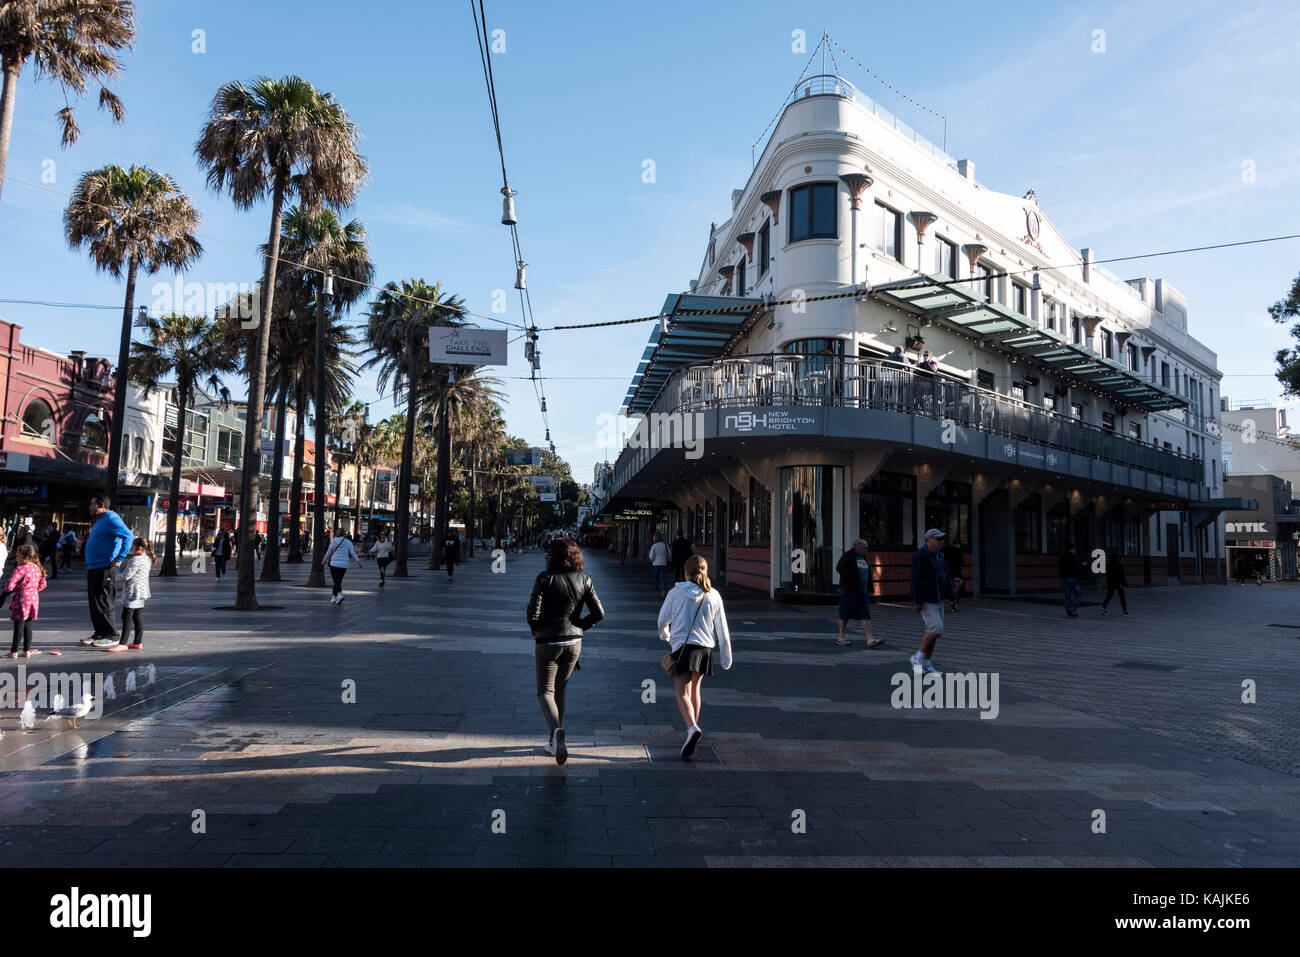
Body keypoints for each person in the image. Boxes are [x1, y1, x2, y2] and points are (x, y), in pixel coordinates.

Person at [526, 538, 605, 765]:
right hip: (574, 642)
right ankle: (555, 740)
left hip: (548, 642)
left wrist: (537, 631)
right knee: (560, 690)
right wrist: (580, 625)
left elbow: (533, 613)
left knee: (544, 692)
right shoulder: (585, 580)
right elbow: (599, 613)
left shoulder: (544, 578)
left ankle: (556, 732)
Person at [658, 555, 732, 759]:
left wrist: (666, 635)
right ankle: (693, 729)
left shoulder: (676, 593)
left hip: (682, 646)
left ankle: (692, 728)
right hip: (705, 648)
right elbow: (722, 628)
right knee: (695, 690)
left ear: (686, 572)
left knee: (681, 690)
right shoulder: (713, 595)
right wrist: (726, 657)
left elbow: (662, 620)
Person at [82, 495, 132, 648]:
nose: (90, 507)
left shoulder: (111, 518)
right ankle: (100, 632)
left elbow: (128, 536)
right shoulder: (101, 519)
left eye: (92, 504)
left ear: (101, 505)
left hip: (104, 567)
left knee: (103, 601)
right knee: (95, 602)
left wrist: (120, 557)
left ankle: (111, 635)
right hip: (94, 566)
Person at [910, 528, 956, 676]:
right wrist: (918, 601)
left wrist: (952, 594)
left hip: (938, 598)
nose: (941, 542)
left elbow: (946, 575)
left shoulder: (940, 556)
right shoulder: (920, 555)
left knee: (935, 633)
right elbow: (916, 579)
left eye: (942, 539)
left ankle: (926, 664)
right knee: (935, 629)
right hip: (927, 600)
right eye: (938, 539)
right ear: (929, 540)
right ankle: (917, 658)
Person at [834, 539, 883, 648]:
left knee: (865, 614)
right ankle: (841, 637)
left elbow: (867, 574)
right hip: (850, 591)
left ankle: (870, 639)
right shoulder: (849, 556)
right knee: (845, 613)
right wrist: (851, 581)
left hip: (862, 592)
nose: (867, 550)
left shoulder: (862, 557)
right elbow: (840, 568)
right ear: (858, 548)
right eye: (865, 548)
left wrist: (870, 589)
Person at [110, 538, 154, 652]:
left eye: (132, 546)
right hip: (142, 591)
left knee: (127, 617)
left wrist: (113, 577)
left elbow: (126, 576)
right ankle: (138, 642)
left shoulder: (135, 560)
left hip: (133, 592)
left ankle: (123, 643)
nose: (130, 548)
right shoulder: (147, 559)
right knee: (137, 616)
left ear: (139, 548)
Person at [5, 543, 48, 659]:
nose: (16, 558)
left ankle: (14, 651)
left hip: (22, 598)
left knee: (18, 625)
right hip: (33, 598)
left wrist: (15, 589)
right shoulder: (36, 567)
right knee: (28, 625)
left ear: (25, 557)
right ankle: (26, 651)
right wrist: (34, 589)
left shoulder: (20, 569)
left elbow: (9, 586)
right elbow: (43, 584)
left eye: (18, 556)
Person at [322, 527, 361, 604]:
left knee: (336, 581)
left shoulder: (334, 541)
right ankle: (334, 597)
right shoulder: (348, 542)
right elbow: (352, 552)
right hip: (344, 564)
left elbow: (328, 552)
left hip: (335, 563)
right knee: (338, 581)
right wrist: (358, 561)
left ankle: (339, 595)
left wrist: (323, 561)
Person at [1099, 548, 1129, 616]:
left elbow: (1107, 574)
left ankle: (1103, 609)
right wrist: (1125, 585)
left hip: (1110, 583)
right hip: (1118, 583)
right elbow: (1121, 576)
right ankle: (1125, 610)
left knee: (1109, 596)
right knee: (1122, 597)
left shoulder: (1107, 565)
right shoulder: (1119, 565)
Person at [1058, 543, 1084, 618]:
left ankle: (1068, 612)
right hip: (1073, 579)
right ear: (1072, 549)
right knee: (1078, 594)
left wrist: (1061, 576)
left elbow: (1059, 567)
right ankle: (1072, 609)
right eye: (1075, 549)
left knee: (1067, 596)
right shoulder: (1074, 557)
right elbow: (1077, 567)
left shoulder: (1062, 557)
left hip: (1064, 579)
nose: (1075, 550)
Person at [942, 538, 965, 611]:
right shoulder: (959, 551)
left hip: (947, 571)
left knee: (950, 587)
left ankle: (952, 601)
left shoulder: (946, 549)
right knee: (958, 587)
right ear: (959, 545)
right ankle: (955, 602)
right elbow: (961, 562)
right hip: (956, 572)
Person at [648, 532, 670, 598]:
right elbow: (669, 554)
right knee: (662, 578)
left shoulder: (654, 546)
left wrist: (653, 561)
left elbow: (651, 556)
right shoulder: (665, 545)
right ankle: (663, 591)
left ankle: (656, 592)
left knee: (655, 578)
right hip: (663, 564)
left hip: (656, 564)